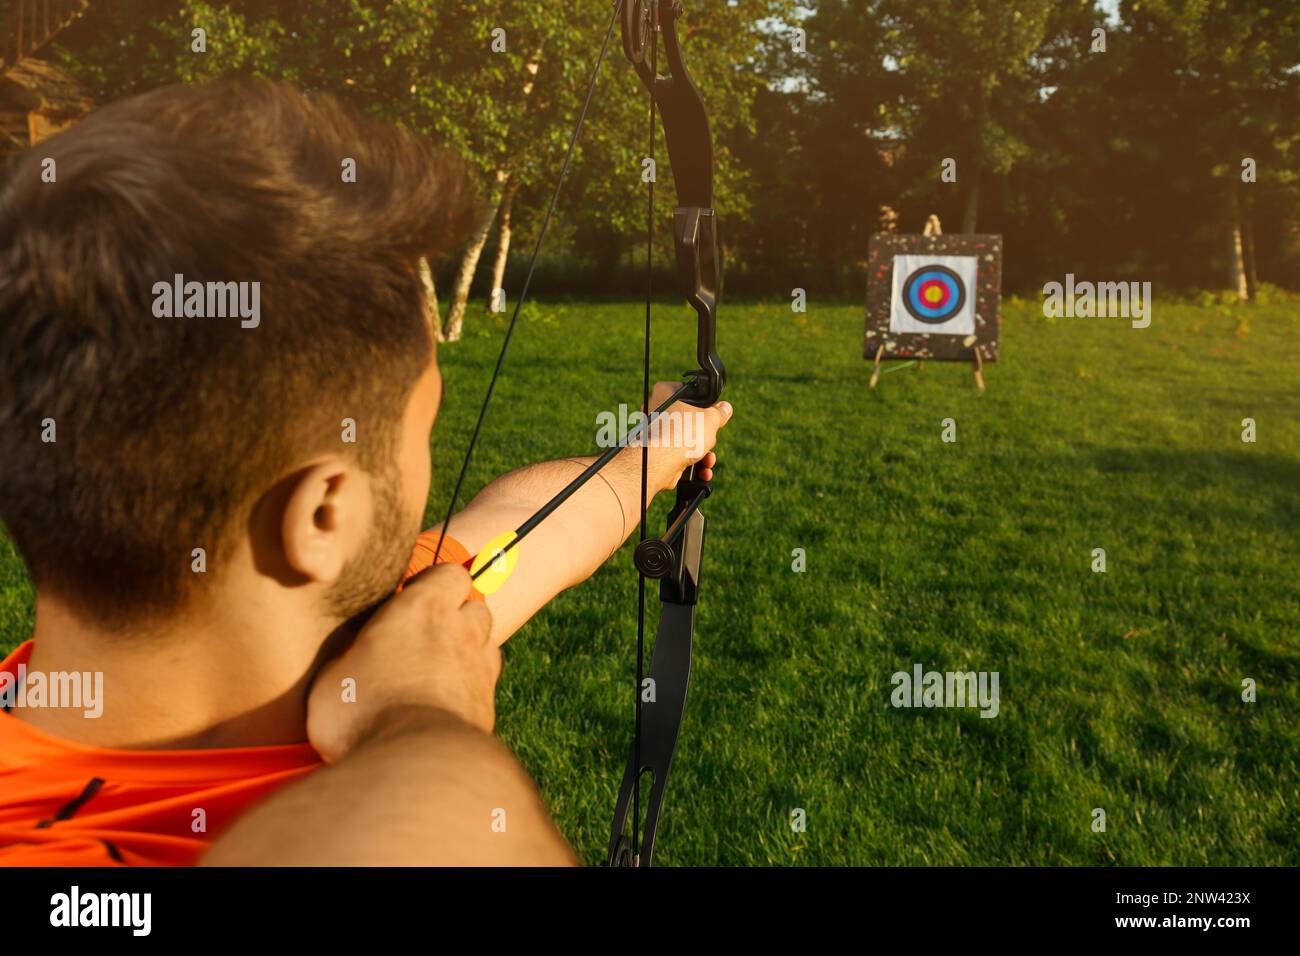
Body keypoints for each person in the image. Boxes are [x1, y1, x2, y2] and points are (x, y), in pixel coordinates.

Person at [0, 79, 730, 866]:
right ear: (322, 518)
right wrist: (421, 718)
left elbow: (530, 528)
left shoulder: (348, 626)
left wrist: (652, 453)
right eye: (424, 429)